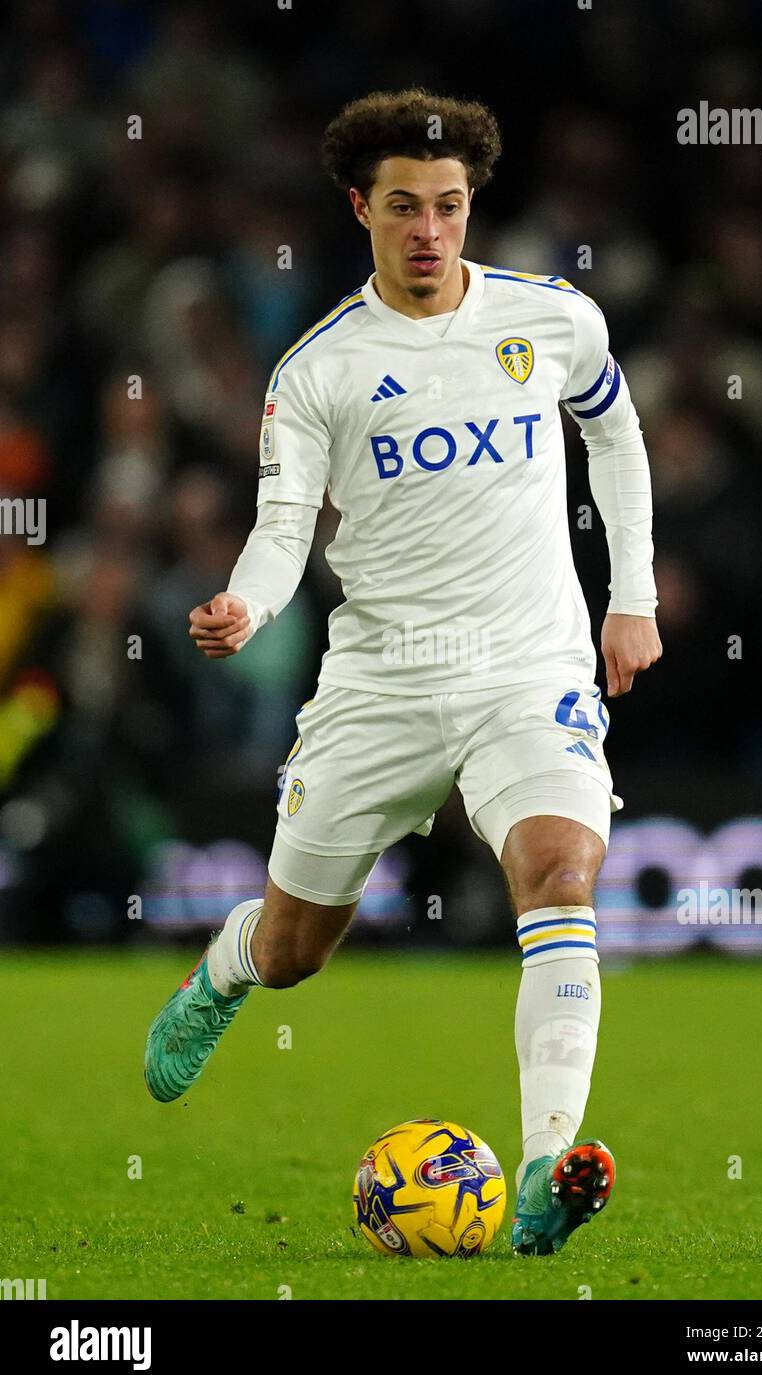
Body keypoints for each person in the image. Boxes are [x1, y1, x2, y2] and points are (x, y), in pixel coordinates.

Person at [144, 88, 662, 1257]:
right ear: (359, 210)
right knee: (295, 953)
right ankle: (225, 967)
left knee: (559, 873)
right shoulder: (318, 368)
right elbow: (284, 527)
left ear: (470, 205)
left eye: (448, 206)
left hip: (528, 666)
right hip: (380, 680)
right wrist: (246, 600)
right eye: (403, 208)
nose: (429, 230)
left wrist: (629, 595)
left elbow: (614, 435)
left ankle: (543, 1171)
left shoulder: (553, 320)